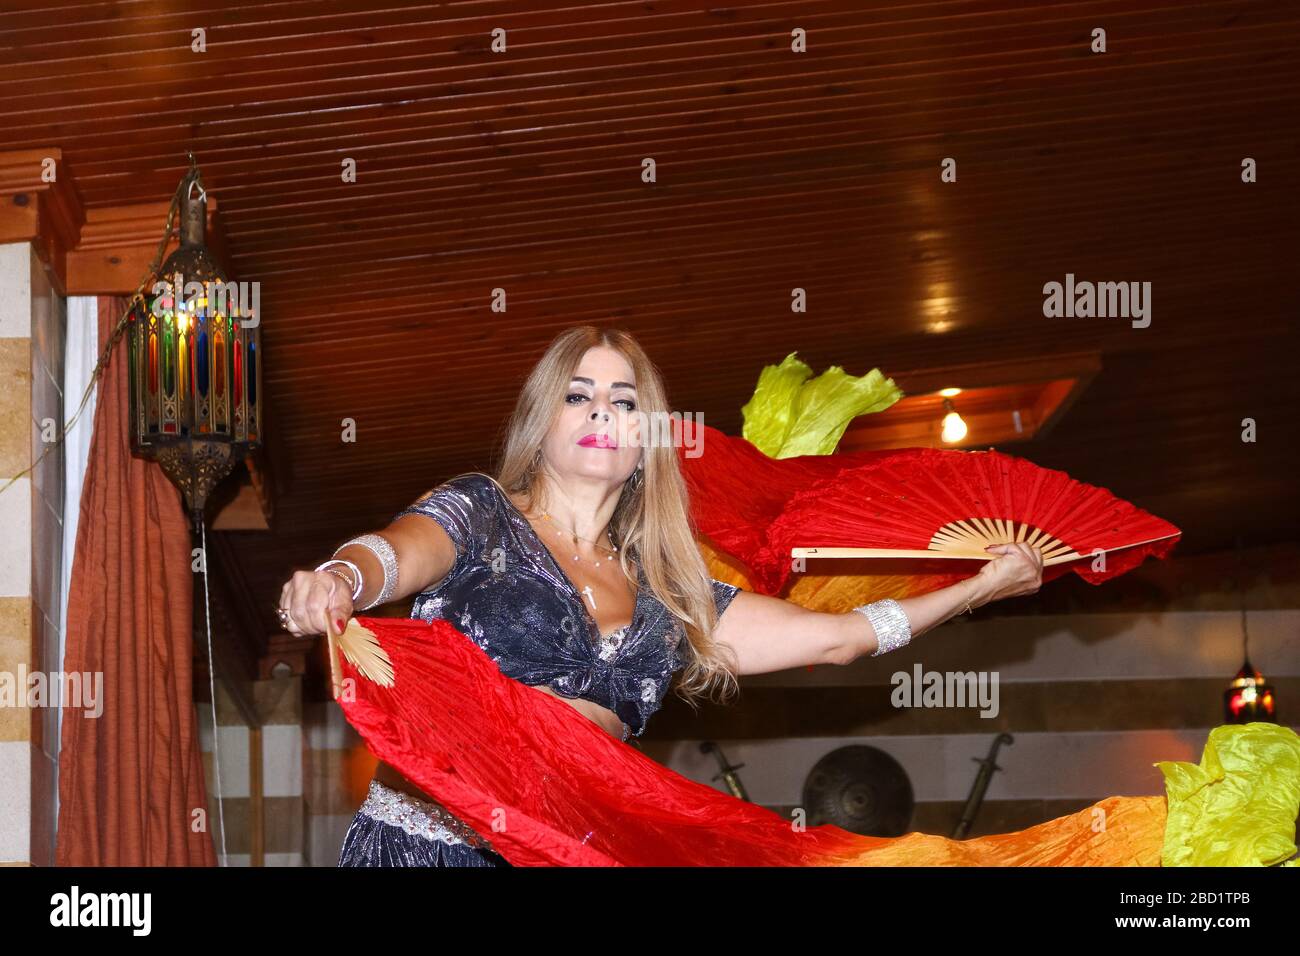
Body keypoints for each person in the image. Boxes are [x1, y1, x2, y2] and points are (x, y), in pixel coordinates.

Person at [275, 326, 1044, 867]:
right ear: (542, 423)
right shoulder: (482, 513)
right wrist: (342, 579)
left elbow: (839, 637)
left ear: (647, 438)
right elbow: (398, 553)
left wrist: (981, 587)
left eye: (624, 399)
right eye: (578, 396)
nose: (603, 410)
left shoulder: (671, 600)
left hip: (569, 856)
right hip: (431, 848)